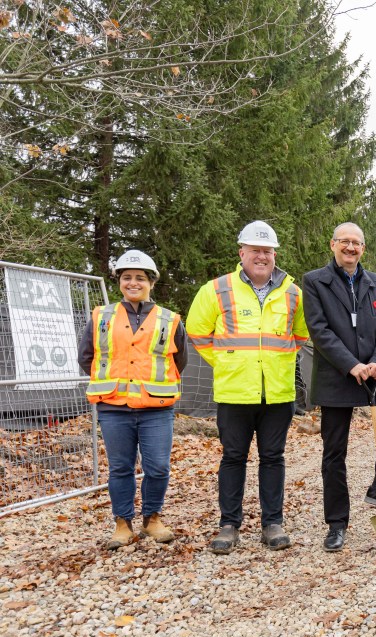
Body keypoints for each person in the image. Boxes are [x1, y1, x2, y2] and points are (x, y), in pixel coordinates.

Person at [186, 221, 309, 554]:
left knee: (273, 458)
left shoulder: (293, 293)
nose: (261, 256)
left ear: (274, 254)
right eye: (254, 250)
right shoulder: (217, 289)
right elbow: (197, 332)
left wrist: (277, 364)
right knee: (233, 458)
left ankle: (273, 523)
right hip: (234, 391)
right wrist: (226, 362)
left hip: (277, 392)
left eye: (267, 250)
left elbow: (300, 336)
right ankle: (229, 525)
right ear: (241, 253)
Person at [303, 222, 376, 553]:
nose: (351, 248)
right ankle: (337, 523)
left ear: (363, 249)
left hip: (375, 372)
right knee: (334, 451)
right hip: (338, 374)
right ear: (333, 244)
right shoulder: (315, 282)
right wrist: (350, 365)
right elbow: (319, 330)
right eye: (345, 242)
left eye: (357, 243)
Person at [79, 250, 187, 550]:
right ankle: (122, 523)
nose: (133, 283)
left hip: (157, 409)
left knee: (158, 467)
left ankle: (152, 517)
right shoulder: (102, 316)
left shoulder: (170, 320)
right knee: (121, 468)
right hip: (114, 407)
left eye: (140, 278)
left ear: (151, 282)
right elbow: (87, 357)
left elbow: (180, 361)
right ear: (119, 282)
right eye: (127, 277)